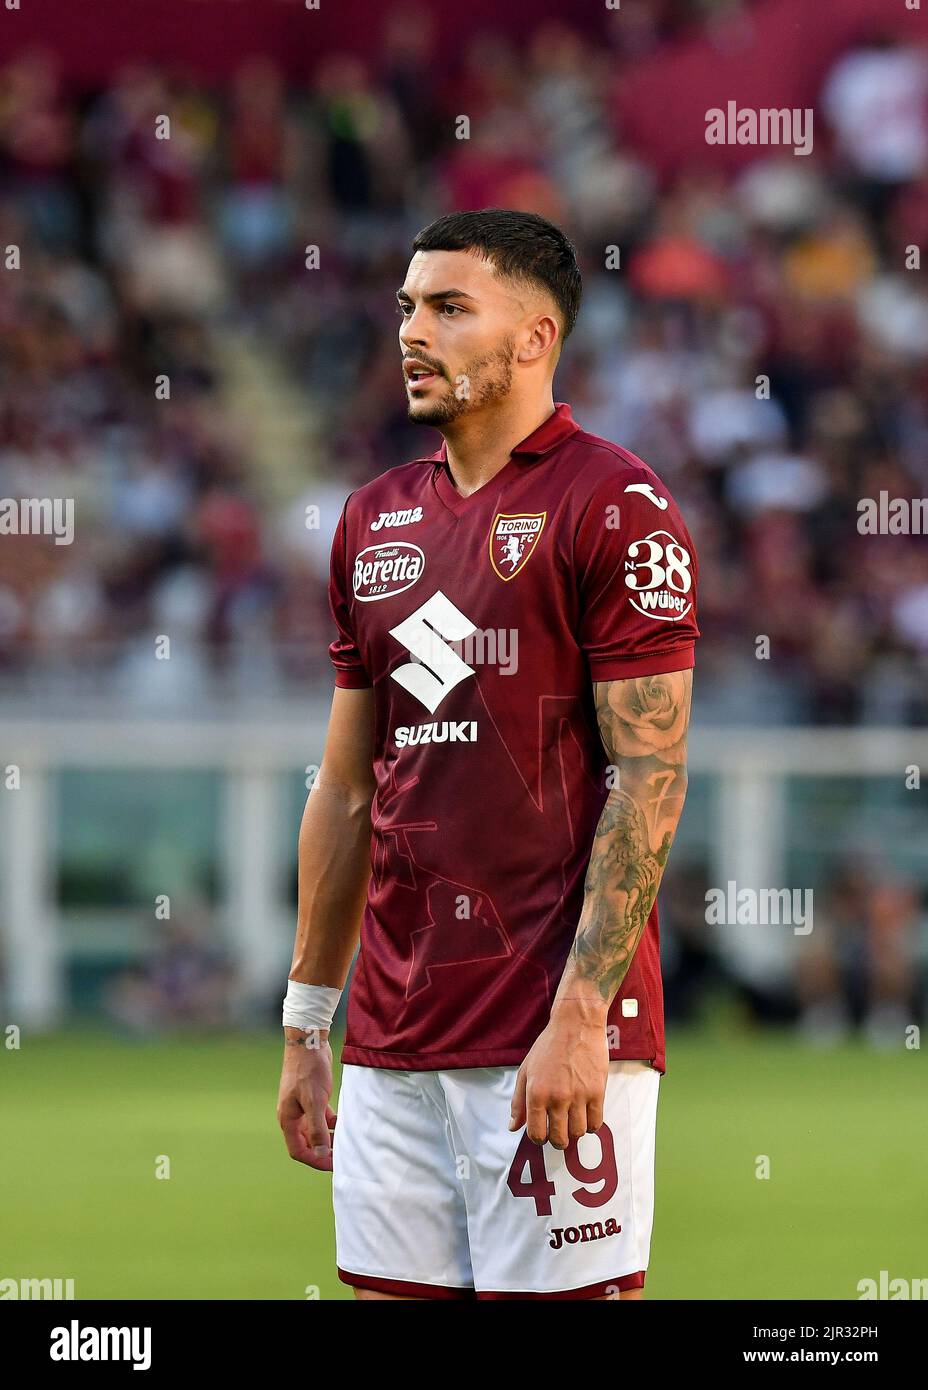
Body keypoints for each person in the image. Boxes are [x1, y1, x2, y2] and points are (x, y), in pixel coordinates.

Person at [277, 208, 699, 1300]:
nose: (412, 331)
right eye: (407, 306)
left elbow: (650, 778)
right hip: (391, 1041)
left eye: (450, 307)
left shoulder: (615, 504)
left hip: (548, 1032)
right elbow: (347, 789)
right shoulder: (371, 521)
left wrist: (581, 1018)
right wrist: (308, 1020)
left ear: (534, 336)